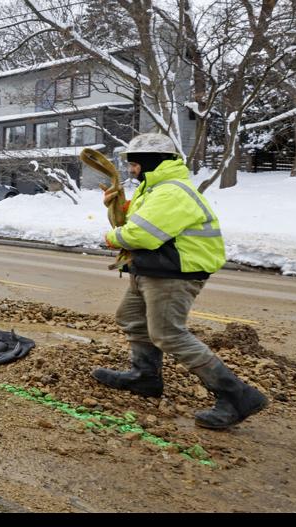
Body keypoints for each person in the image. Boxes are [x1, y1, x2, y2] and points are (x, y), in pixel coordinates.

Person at [92, 133, 268, 430]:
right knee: (132, 319)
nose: (131, 170)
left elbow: (141, 235)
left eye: (135, 164)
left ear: (152, 162)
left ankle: (237, 395)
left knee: (167, 333)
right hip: (151, 269)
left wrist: (111, 237)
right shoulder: (156, 190)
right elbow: (141, 221)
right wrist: (120, 209)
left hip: (174, 272)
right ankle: (145, 377)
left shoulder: (172, 192)